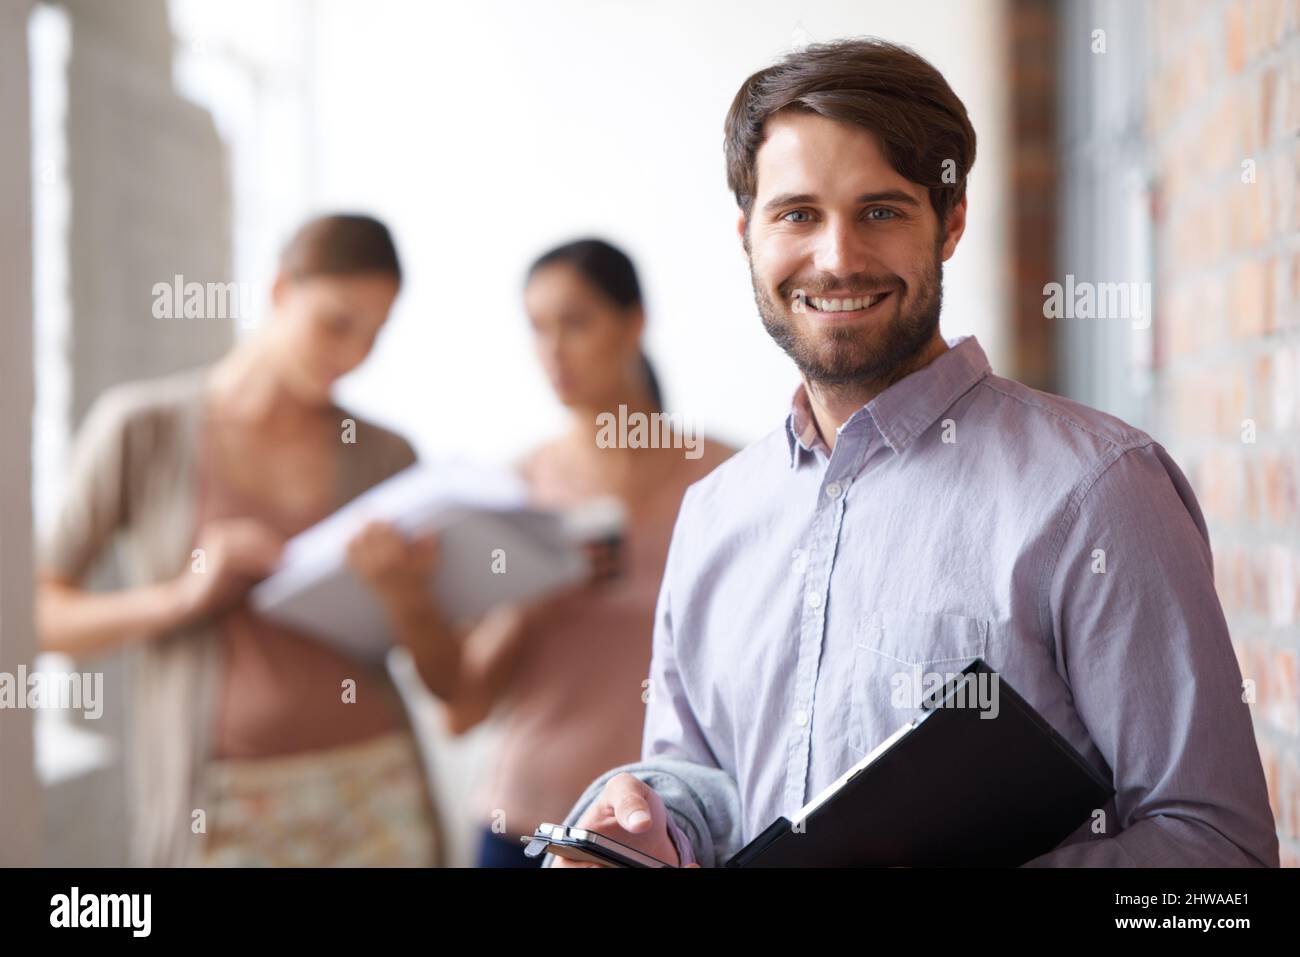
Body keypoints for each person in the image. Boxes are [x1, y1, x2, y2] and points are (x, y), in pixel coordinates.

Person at [545, 38, 1279, 868]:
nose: (837, 257)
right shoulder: (715, 513)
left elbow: (1221, 857)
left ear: (951, 222)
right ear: (747, 233)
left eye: (882, 211)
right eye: (798, 214)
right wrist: (647, 831)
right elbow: (702, 783)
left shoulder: (1100, 492)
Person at [37, 213, 447, 867]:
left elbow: (448, 676)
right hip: (222, 804)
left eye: (374, 335)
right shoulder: (142, 430)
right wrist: (182, 596)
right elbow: (39, 615)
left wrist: (409, 598)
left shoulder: (385, 455)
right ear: (281, 288)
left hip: (376, 790)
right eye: (337, 322)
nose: (351, 355)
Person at [346, 238, 732, 866]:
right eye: (536, 328)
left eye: (575, 322)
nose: (552, 351)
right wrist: (529, 590)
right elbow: (462, 709)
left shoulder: (725, 480)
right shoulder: (510, 492)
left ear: (635, 321)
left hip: (669, 833)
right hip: (526, 829)